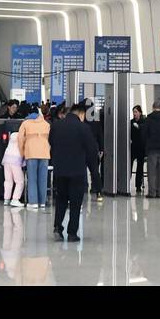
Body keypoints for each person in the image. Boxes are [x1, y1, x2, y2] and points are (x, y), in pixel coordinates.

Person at [50, 99, 100, 241]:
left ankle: (57, 227)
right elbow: (92, 150)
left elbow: (51, 142)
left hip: (60, 170)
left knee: (61, 200)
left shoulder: (57, 125)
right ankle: (72, 233)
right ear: (81, 114)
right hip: (77, 171)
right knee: (75, 203)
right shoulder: (84, 128)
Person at [17, 107, 51, 209]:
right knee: (43, 179)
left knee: (32, 178)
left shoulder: (25, 123)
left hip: (31, 152)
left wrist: (22, 153)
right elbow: (50, 139)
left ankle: (33, 202)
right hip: (44, 153)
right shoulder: (46, 124)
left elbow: (20, 139)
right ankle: (42, 202)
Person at [142, 100, 160, 198]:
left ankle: (152, 192)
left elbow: (143, 134)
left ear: (153, 108)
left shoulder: (148, 119)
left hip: (152, 148)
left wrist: (146, 144)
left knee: (151, 171)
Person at [1, 120, 26, 207]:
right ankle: (15, 199)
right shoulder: (23, 136)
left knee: (8, 181)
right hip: (16, 160)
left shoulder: (13, 135)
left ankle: (6, 199)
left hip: (6, 159)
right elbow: (23, 149)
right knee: (20, 181)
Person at [129, 105, 146, 194]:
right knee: (129, 165)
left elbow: (144, 132)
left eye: (136, 112)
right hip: (132, 146)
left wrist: (139, 127)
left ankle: (138, 185)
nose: (134, 113)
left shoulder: (144, 122)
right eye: (133, 112)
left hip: (141, 147)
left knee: (140, 166)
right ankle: (127, 182)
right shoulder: (131, 122)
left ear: (140, 112)